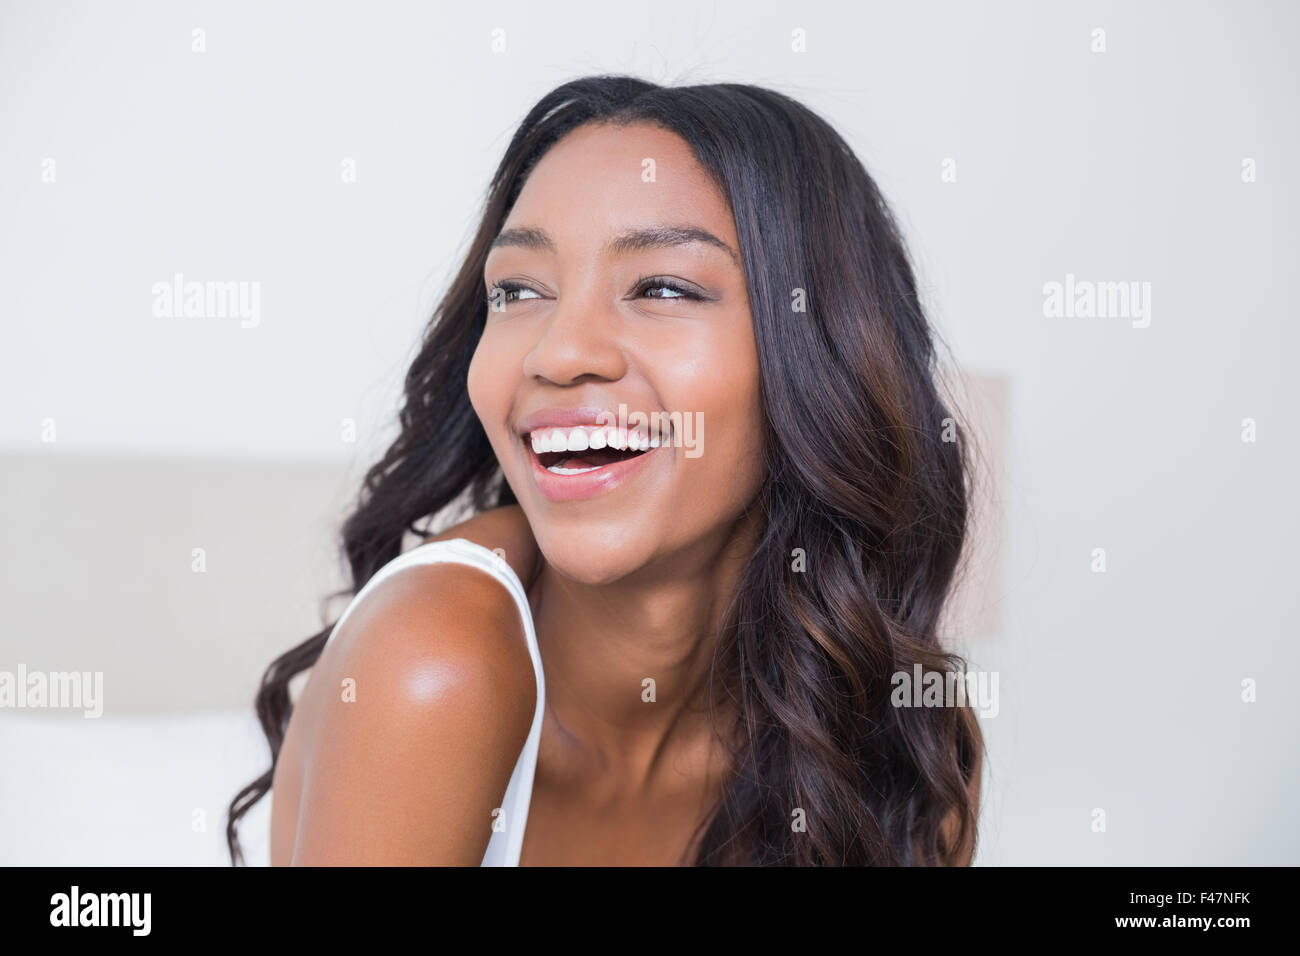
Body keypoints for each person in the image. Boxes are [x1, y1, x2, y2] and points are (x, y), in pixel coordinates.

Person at [228, 74, 983, 866]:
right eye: (517, 290)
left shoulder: (891, 729)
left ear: (822, 356)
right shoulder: (433, 662)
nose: (559, 353)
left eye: (661, 286)